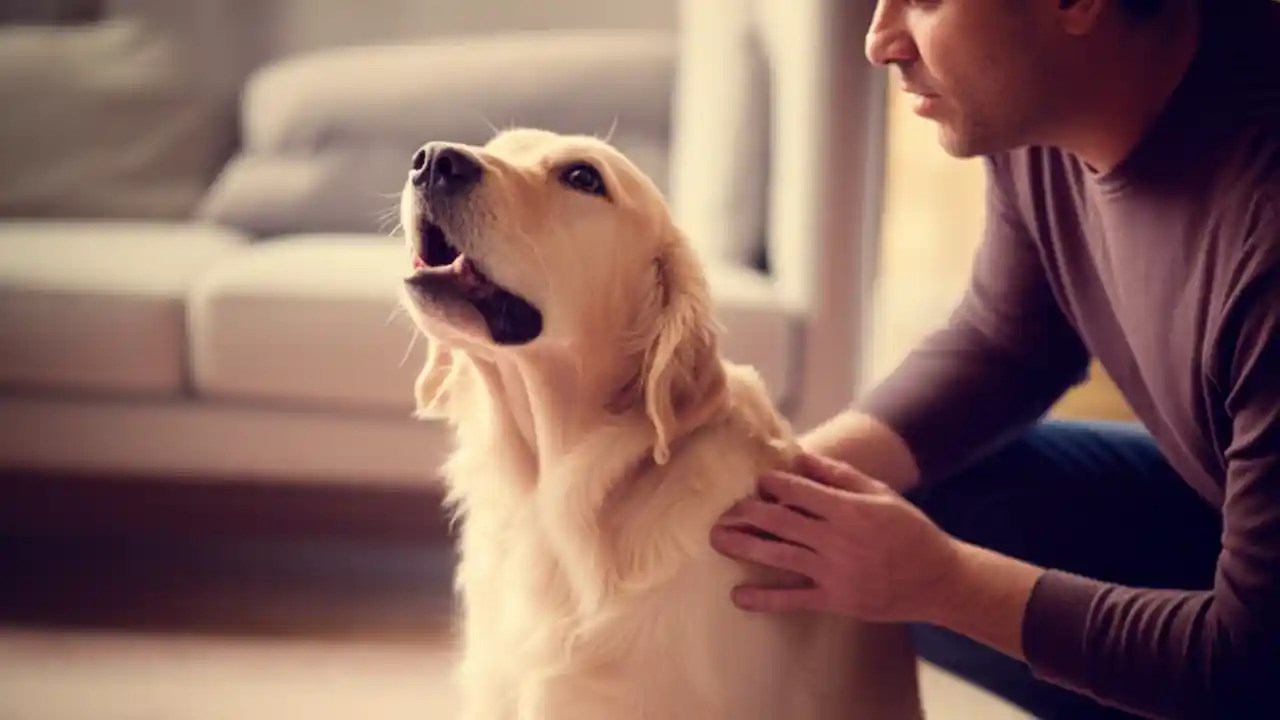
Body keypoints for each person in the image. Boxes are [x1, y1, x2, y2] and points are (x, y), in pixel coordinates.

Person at [708, 0, 1280, 717]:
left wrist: (942, 582)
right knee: (859, 521)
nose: (880, 42)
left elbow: (1252, 660)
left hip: (1259, 648)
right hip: (1219, 514)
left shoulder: (1265, 226)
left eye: (922, 2)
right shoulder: (1044, 105)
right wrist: (778, 482)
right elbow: (1007, 342)